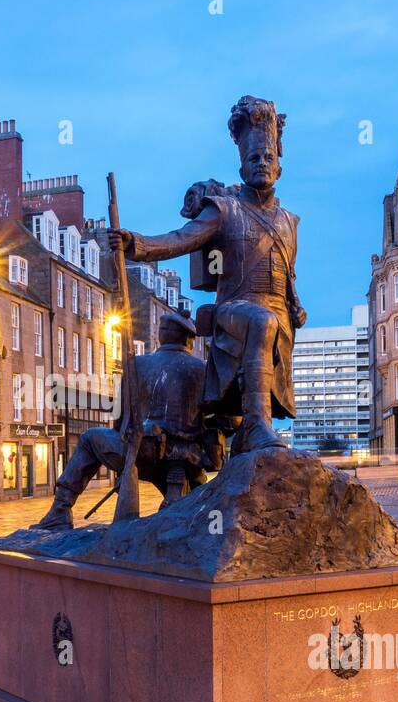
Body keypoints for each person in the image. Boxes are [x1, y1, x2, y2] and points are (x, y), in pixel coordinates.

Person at [108, 96, 306, 454]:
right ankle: (259, 424)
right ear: (242, 168)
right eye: (253, 159)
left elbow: (288, 272)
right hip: (236, 308)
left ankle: (250, 431)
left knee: (270, 322)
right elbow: (180, 240)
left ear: (278, 167)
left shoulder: (290, 222)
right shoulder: (225, 210)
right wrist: (134, 243)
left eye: (268, 158)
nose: (261, 163)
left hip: (278, 312)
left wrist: (296, 304)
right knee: (261, 322)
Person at [34, 314, 219, 530]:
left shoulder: (137, 365)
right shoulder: (204, 369)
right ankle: (179, 498)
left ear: (161, 336)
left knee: (88, 439)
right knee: (186, 492)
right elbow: (222, 422)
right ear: (190, 340)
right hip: (184, 459)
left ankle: (60, 510)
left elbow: (120, 422)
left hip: (143, 451)